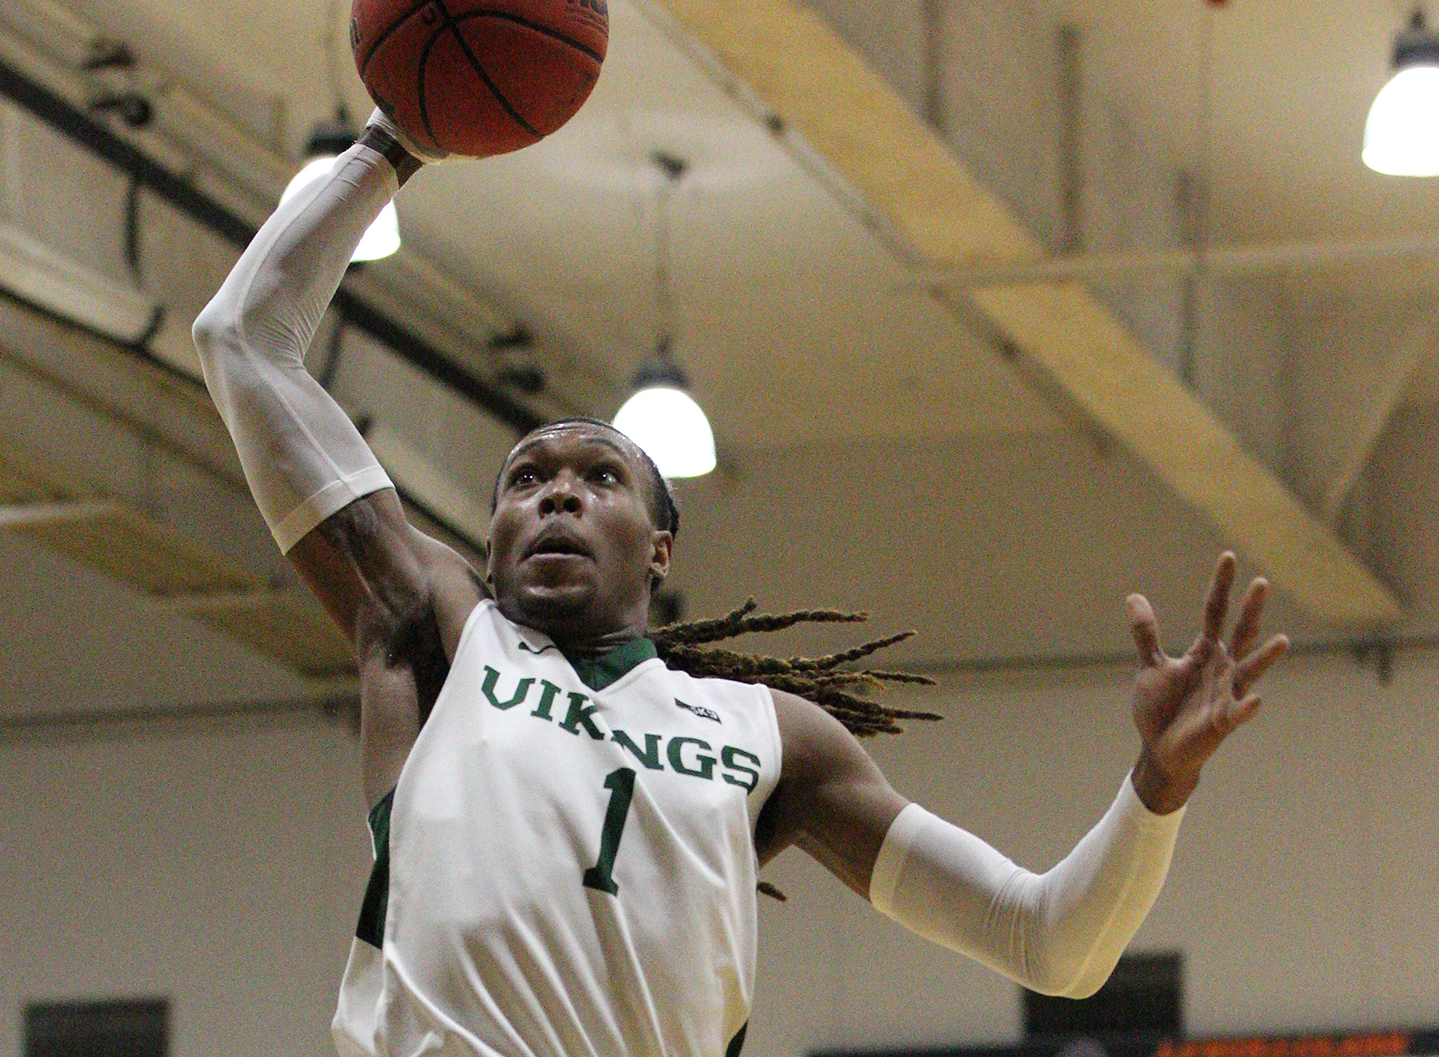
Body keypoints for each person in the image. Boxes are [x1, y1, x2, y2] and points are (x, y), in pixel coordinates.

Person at [191, 110, 1290, 1057]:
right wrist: (391, 143)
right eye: (526, 478)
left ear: (660, 547)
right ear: (488, 538)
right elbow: (242, 338)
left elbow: (1048, 940)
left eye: (597, 476)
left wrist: (1155, 788)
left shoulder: (774, 738)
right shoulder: (434, 628)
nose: (557, 495)